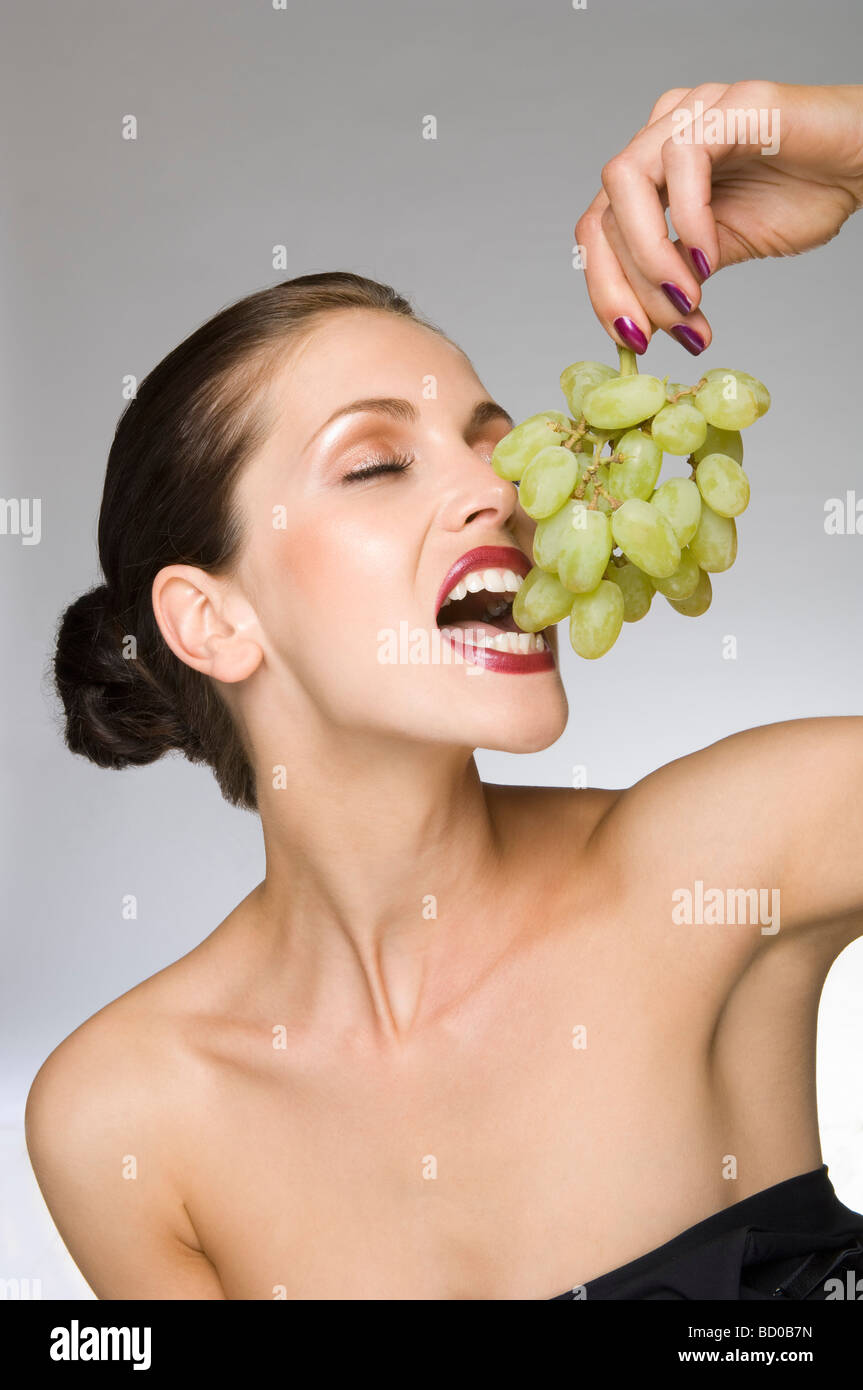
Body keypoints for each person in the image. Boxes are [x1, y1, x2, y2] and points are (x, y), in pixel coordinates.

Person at [23, 80, 863, 1301]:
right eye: (374, 463)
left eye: (493, 439)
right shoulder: (125, 1117)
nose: (500, 491)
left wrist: (850, 147)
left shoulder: (729, 856)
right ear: (212, 619)